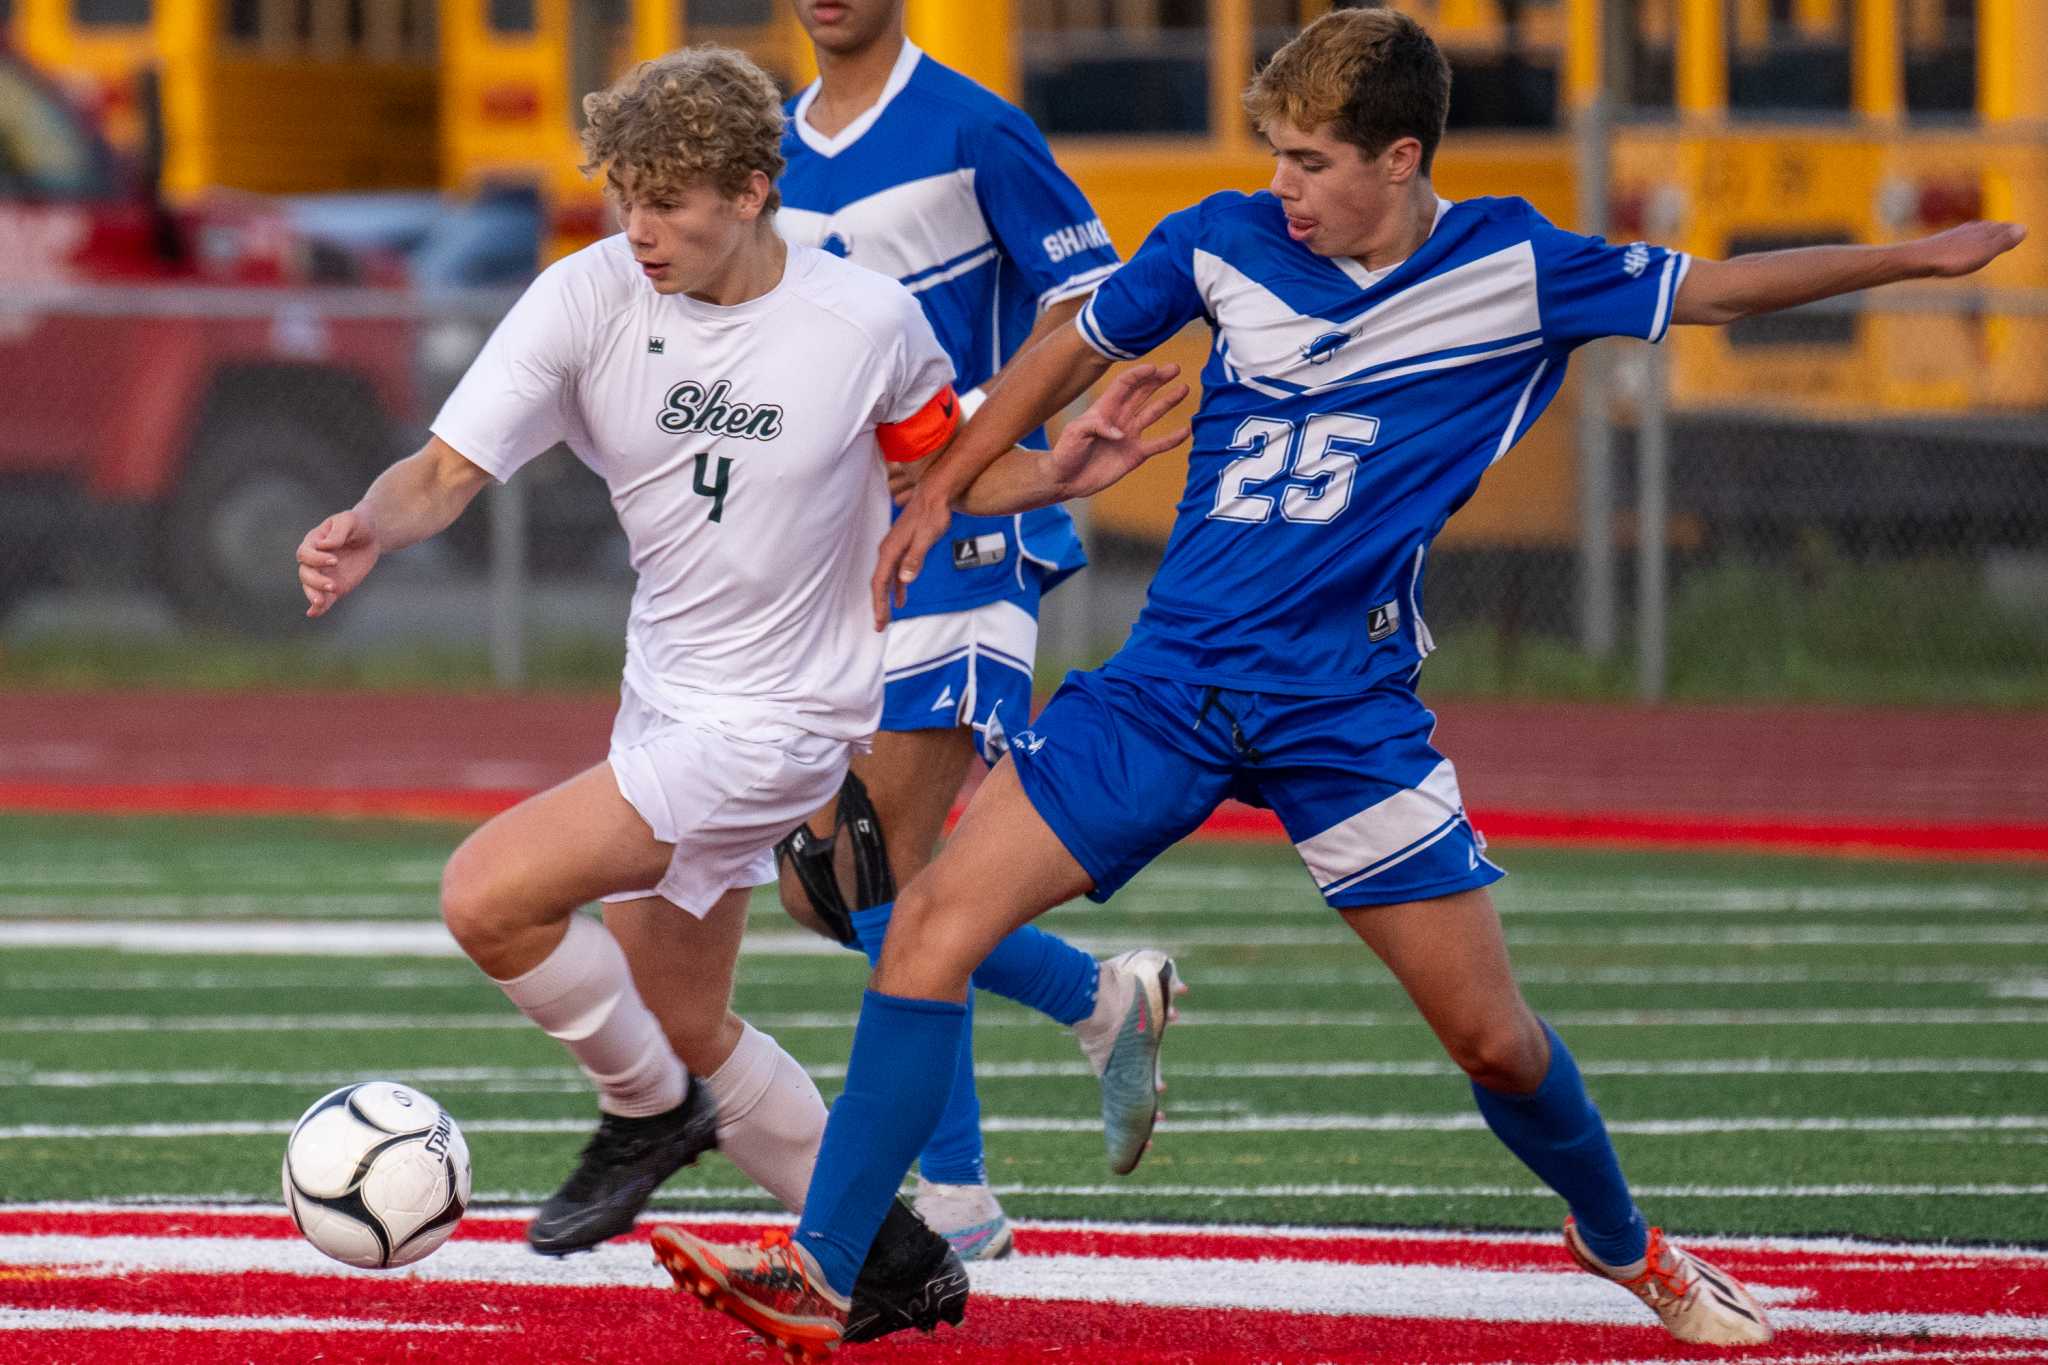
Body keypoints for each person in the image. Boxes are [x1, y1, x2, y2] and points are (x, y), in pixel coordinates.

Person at [652, 8, 2029, 1357]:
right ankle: (828, 1272)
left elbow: (1715, 289)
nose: (1282, 187)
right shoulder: (1222, 239)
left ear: (1401, 158)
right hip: (1171, 683)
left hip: (1341, 710)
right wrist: (943, 485)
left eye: (1310, 161)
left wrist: (1918, 256)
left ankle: (1625, 1243)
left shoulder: (1515, 266)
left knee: (1494, 1042)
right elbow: (1069, 346)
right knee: (925, 924)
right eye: (1276, 155)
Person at [291, 44, 1175, 1346]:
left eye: (668, 202)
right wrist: (367, 524)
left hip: (785, 723)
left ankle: (647, 1114)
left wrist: (1053, 472)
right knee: (685, 1019)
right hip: (663, 697)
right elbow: (442, 470)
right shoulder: (587, 293)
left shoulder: (862, 321)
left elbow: (940, 471)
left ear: (755, 189)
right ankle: (894, 1259)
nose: (638, 229)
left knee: (485, 894)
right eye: (623, 197)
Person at [763, 0, 1179, 1261]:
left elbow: (1093, 299)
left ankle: (955, 1195)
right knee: (824, 885)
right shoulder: (766, 145)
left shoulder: (973, 127)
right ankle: (1094, 997)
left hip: (973, 530)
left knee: (879, 855)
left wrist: (969, 435)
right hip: (834, 547)